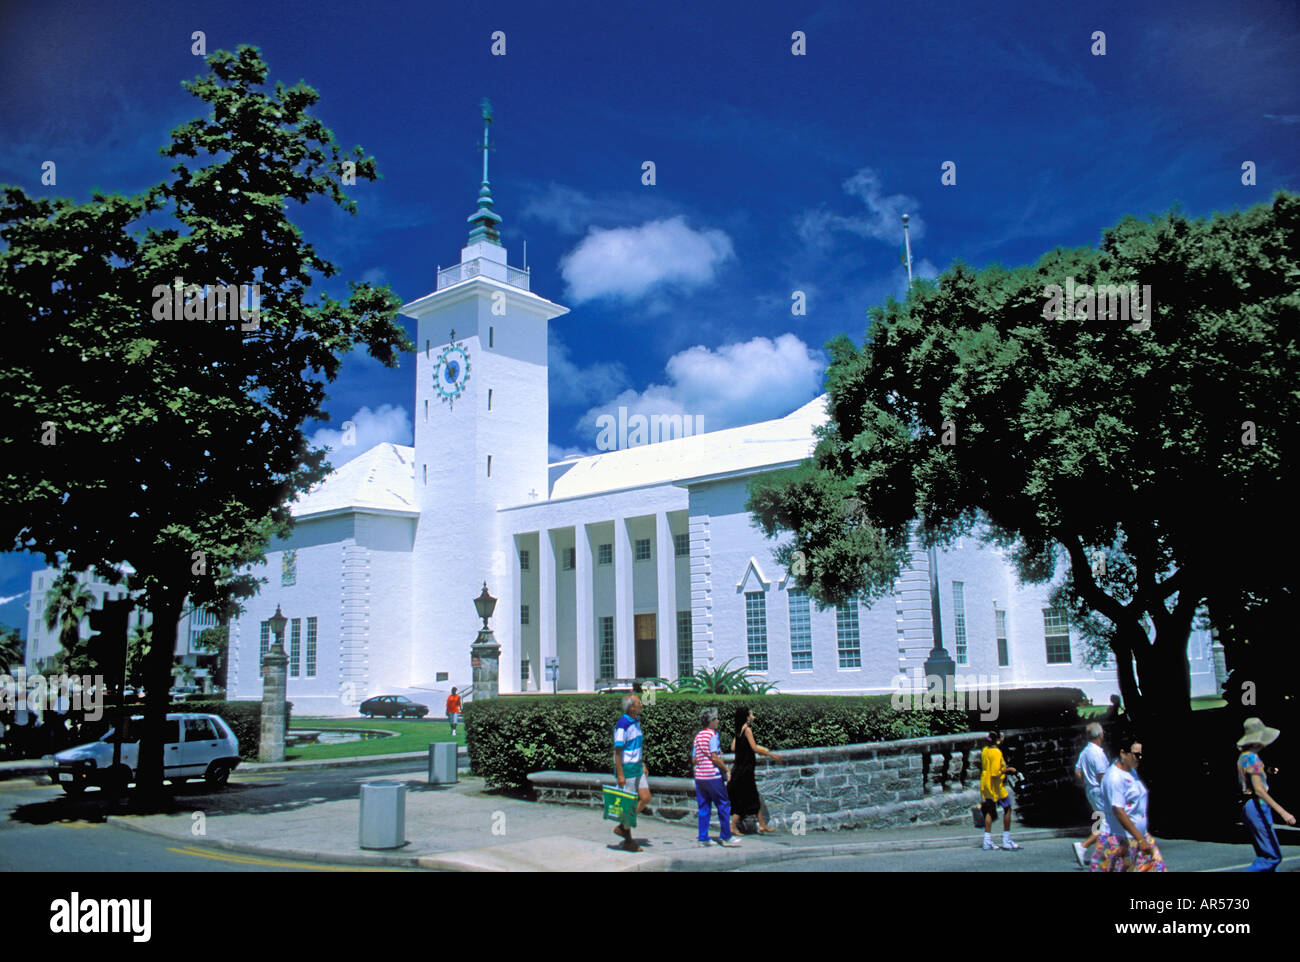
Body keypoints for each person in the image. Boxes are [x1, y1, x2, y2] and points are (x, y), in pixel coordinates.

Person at [1091, 737, 1165, 872]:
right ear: (1123, 753)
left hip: (1139, 837)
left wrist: (1141, 838)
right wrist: (1140, 840)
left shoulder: (1131, 771)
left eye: (1141, 754)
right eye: (1136, 754)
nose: (1139, 758)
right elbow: (1118, 810)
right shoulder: (1114, 778)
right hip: (1120, 840)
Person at [1236, 717, 1295, 872]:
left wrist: (1267, 770)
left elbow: (1249, 776)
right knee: (1272, 857)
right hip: (1257, 806)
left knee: (1266, 856)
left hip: (1247, 806)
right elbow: (1259, 790)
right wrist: (1283, 812)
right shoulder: (1253, 759)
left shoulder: (1244, 757)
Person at [728, 705, 783, 835]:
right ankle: (732, 826)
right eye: (751, 714)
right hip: (746, 770)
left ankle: (762, 825)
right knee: (746, 798)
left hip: (739, 768)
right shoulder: (747, 730)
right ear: (747, 717)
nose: (753, 717)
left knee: (753, 797)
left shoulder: (738, 731)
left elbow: (733, 748)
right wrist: (771, 754)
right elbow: (754, 748)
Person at [693, 707, 739, 847]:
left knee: (704, 807)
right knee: (723, 804)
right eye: (716, 719)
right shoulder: (712, 735)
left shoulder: (698, 736)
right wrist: (726, 769)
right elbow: (714, 757)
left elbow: (694, 759)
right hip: (712, 776)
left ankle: (703, 838)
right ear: (711, 721)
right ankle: (726, 836)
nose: (718, 721)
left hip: (700, 777)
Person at [613, 694, 651, 852]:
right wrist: (620, 774)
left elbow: (637, 746)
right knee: (629, 803)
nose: (641, 704)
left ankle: (623, 826)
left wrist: (642, 763)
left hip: (636, 767)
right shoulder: (622, 725)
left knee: (645, 798)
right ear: (631, 707)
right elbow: (618, 750)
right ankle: (628, 840)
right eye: (638, 702)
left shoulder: (635, 721)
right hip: (627, 769)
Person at [1073, 722, 1109, 866]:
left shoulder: (1085, 751)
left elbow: (1077, 771)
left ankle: (1106, 854)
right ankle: (1083, 847)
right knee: (1108, 824)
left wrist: (1086, 781)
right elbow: (1102, 776)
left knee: (1106, 823)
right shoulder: (1097, 753)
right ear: (1100, 735)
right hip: (1100, 790)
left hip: (1091, 790)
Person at [980, 729, 1021, 850]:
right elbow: (995, 772)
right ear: (997, 740)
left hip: (986, 784)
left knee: (989, 811)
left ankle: (987, 841)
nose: (1002, 739)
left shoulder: (985, 751)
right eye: (1001, 738)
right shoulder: (997, 752)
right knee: (1007, 808)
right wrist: (1009, 770)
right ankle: (1006, 840)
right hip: (996, 786)